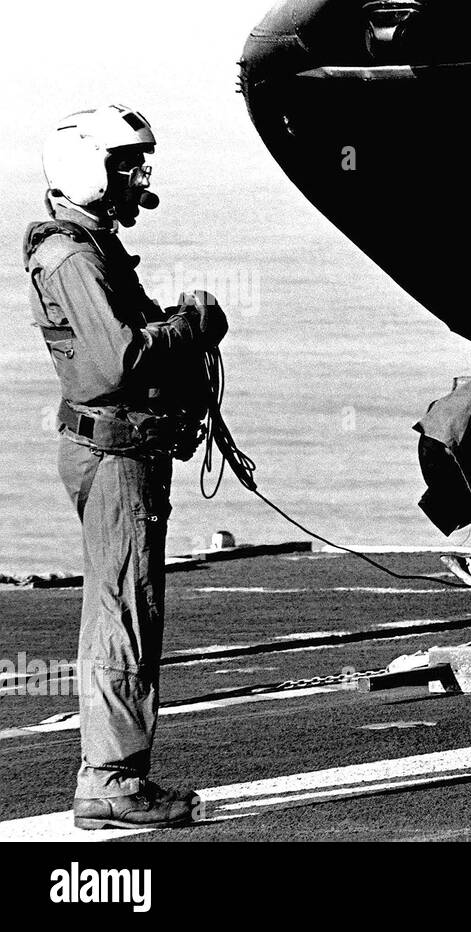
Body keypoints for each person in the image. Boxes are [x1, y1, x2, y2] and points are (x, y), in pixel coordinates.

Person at [24, 105, 226, 829]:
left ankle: (114, 774)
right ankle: (112, 780)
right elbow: (117, 361)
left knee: (124, 606)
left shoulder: (84, 247)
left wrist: (169, 327)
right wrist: (189, 325)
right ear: (87, 165)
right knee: (123, 614)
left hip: (115, 451)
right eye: (124, 162)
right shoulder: (76, 255)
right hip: (114, 455)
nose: (139, 176)